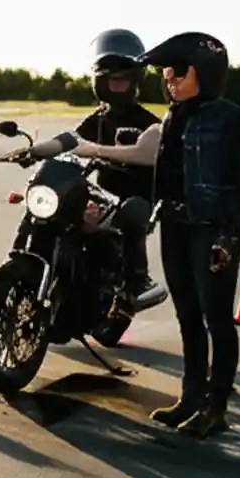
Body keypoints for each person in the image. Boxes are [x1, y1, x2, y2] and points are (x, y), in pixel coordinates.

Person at [136, 31, 240, 438]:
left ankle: (217, 406)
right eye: (165, 74)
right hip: (175, 227)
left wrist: (228, 237)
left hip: (211, 232)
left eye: (176, 72)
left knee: (217, 319)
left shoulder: (233, 118)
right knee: (187, 315)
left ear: (203, 72)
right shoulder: (173, 117)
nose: (168, 79)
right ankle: (191, 397)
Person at [75, 29, 165, 304]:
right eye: (111, 79)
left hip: (138, 195)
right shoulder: (96, 120)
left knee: (133, 211)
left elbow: (148, 154)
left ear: (135, 79)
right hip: (101, 194)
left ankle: (138, 280)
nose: (117, 83)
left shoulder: (150, 122)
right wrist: (37, 152)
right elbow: (72, 142)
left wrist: (98, 151)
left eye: (123, 78)